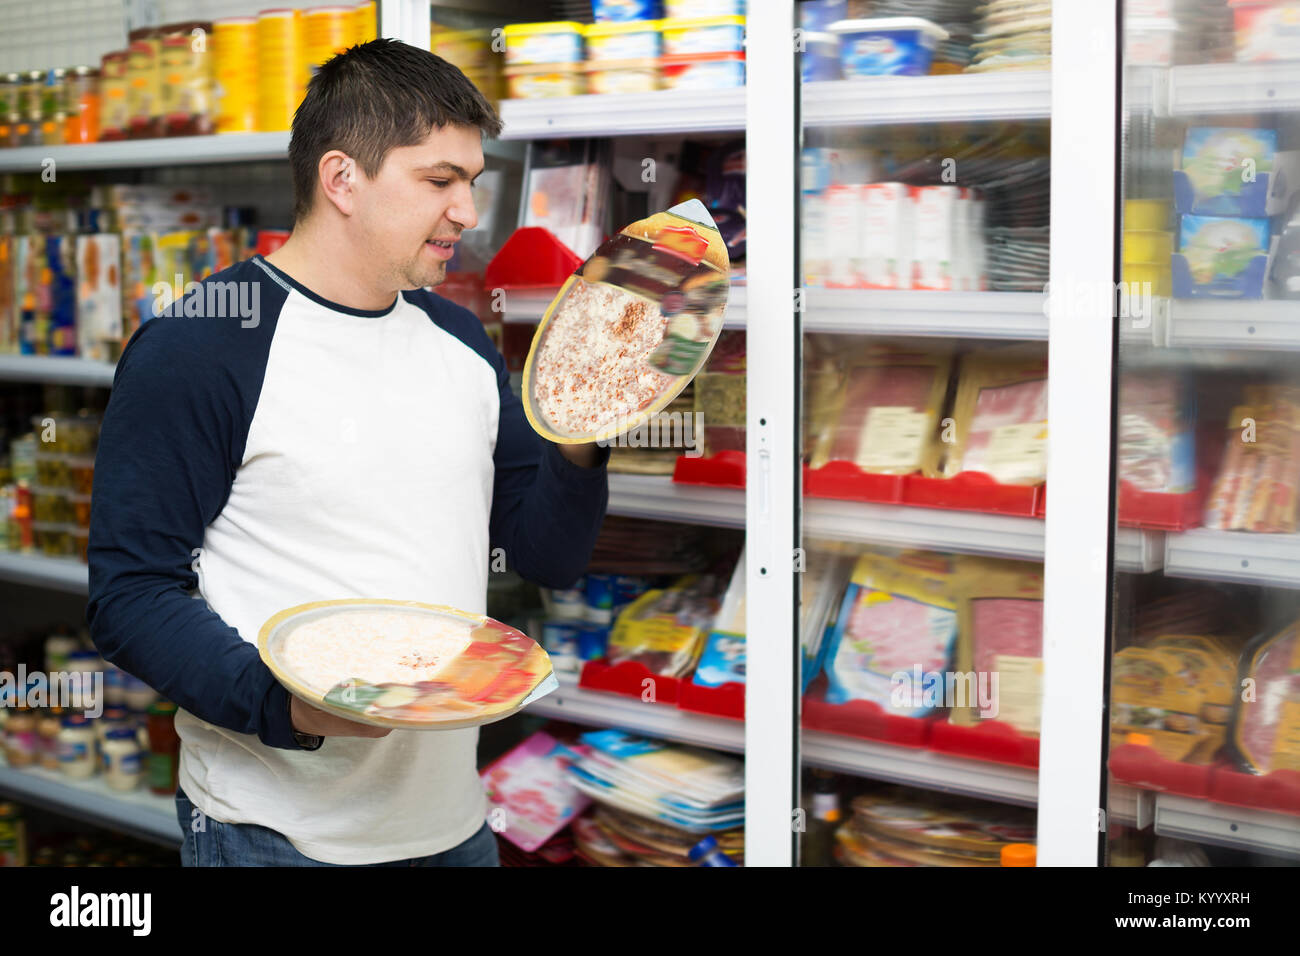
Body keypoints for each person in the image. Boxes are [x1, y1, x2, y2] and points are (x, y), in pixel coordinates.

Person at [86, 40, 609, 867]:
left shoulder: (460, 339)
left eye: (472, 182)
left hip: (454, 827)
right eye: (439, 181)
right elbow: (130, 595)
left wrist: (590, 419)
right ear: (342, 180)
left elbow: (548, 554)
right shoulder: (203, 346)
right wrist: (285, 706)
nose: (468, 211)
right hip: (274, 835)